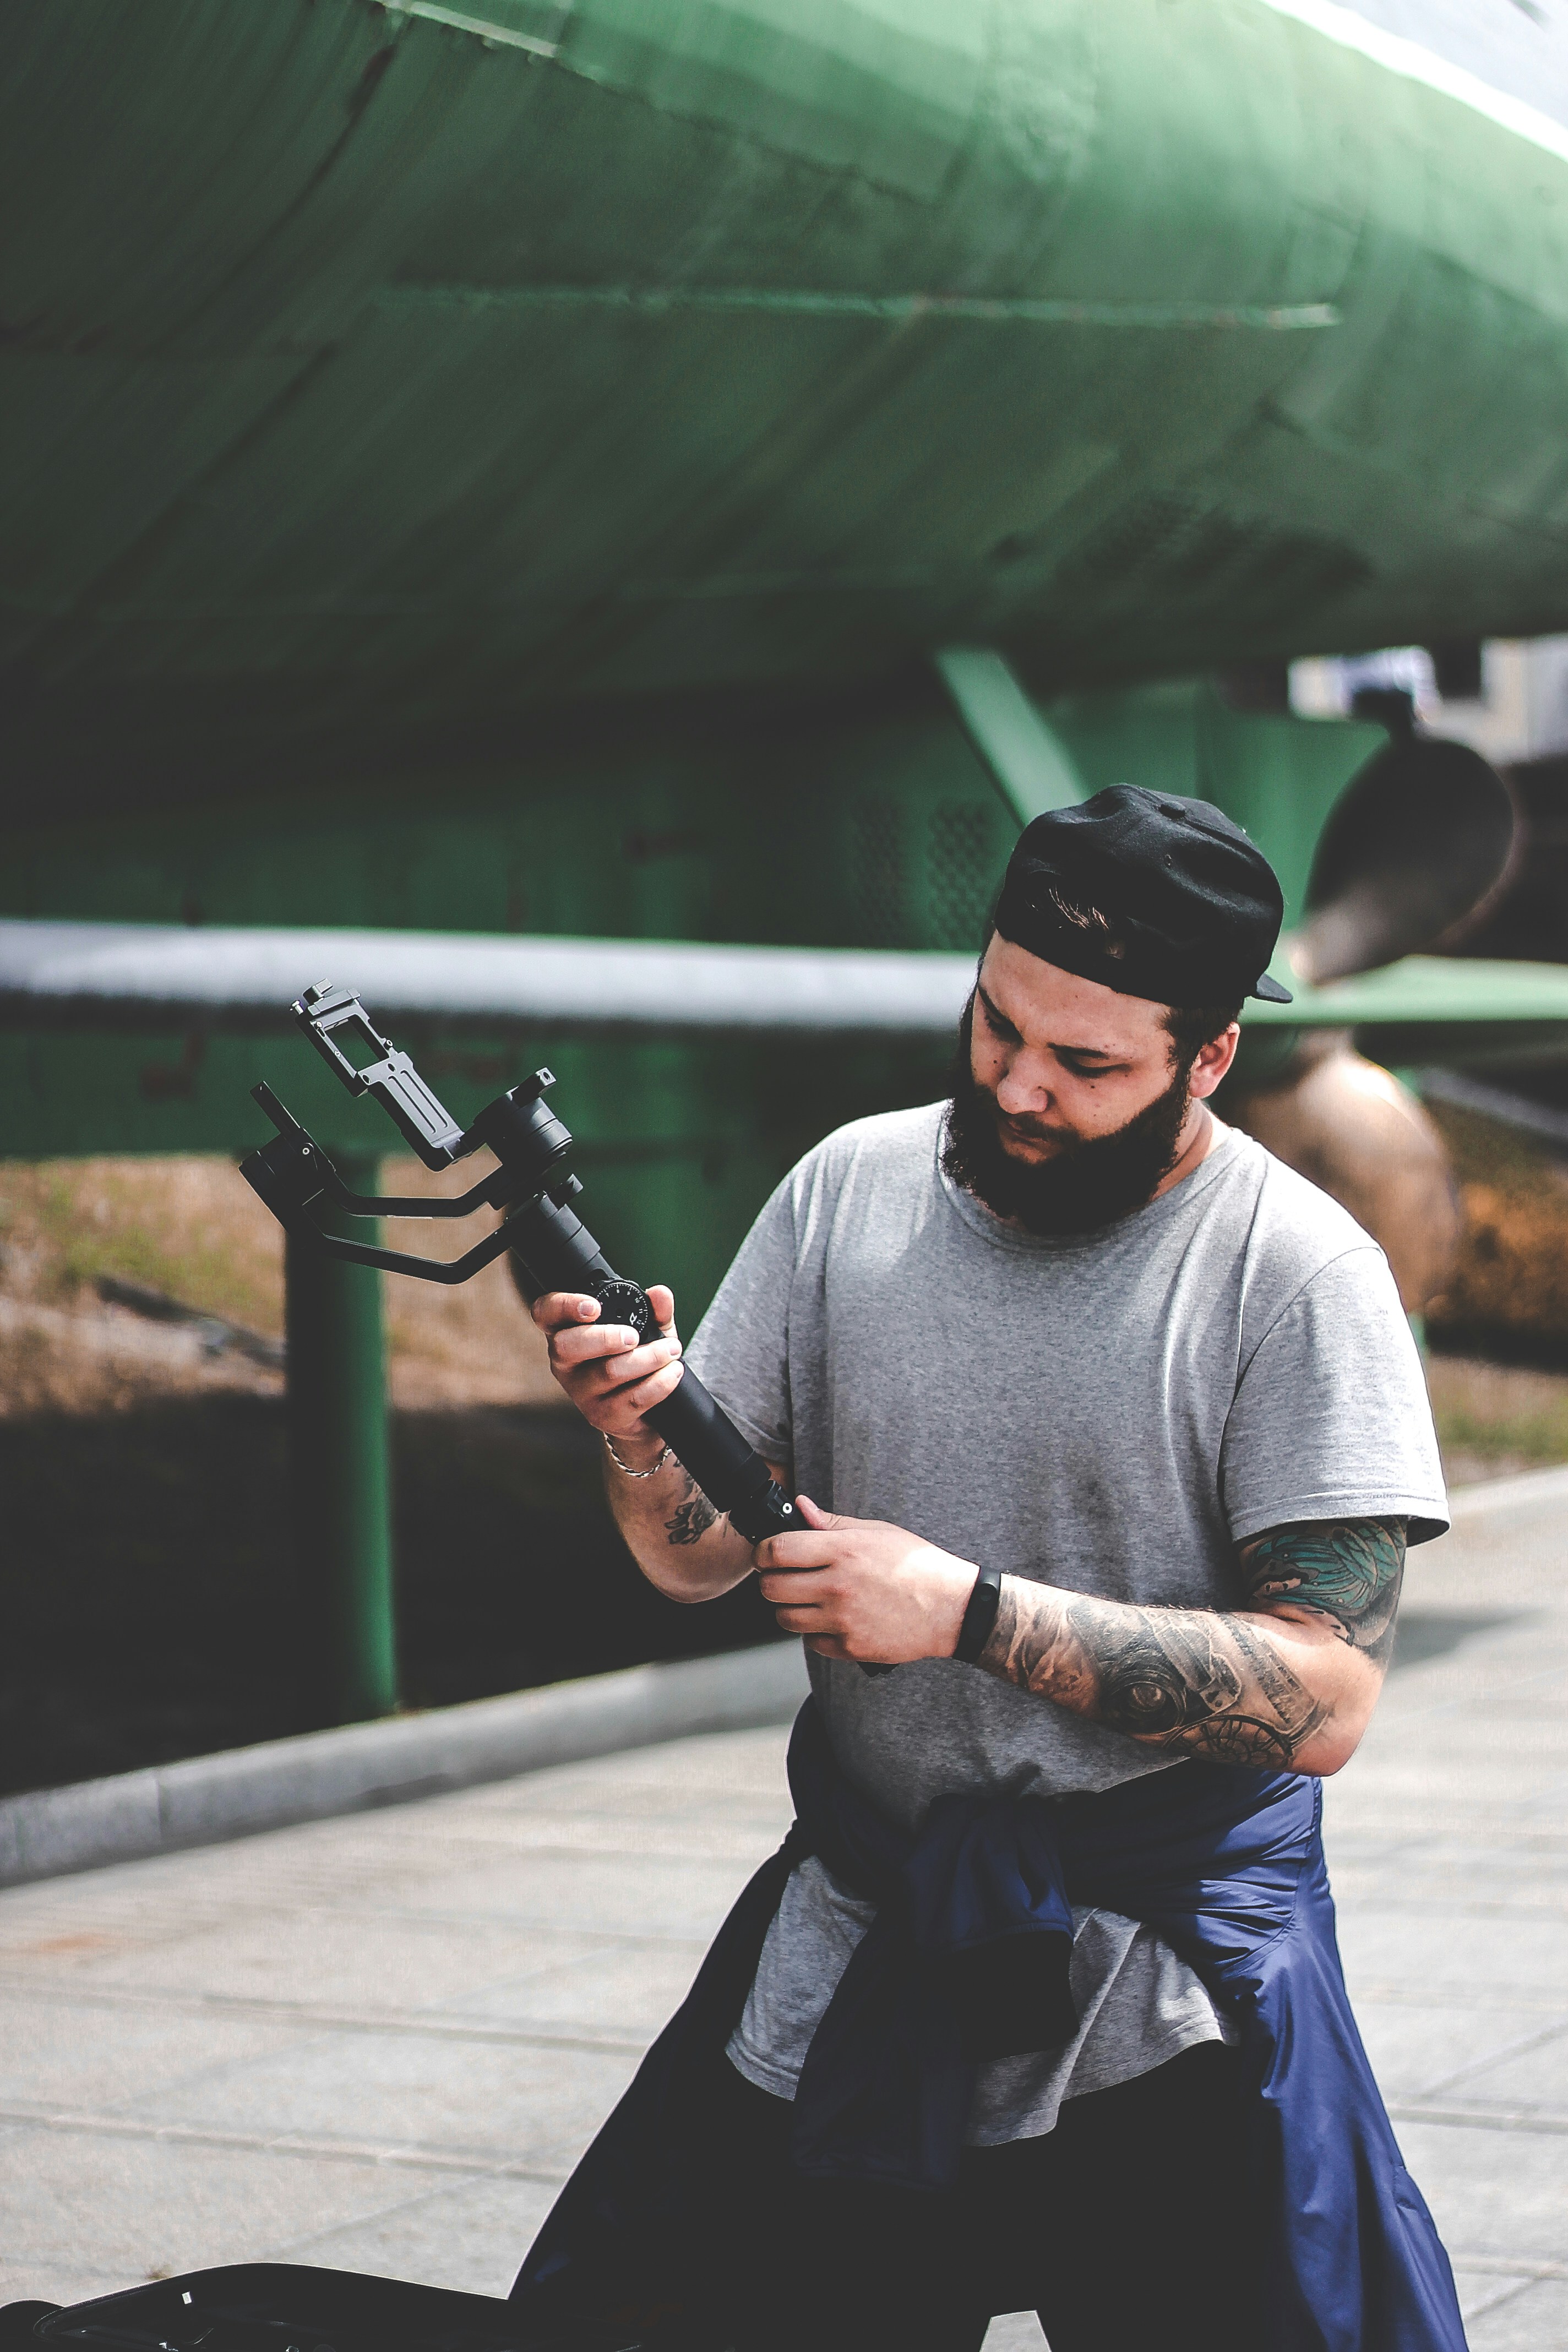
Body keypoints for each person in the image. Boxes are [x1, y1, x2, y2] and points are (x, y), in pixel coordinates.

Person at [513, 787, 1466, 2352]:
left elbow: (1328, 1697)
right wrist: (636, 1436)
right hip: (869, 1925)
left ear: (1209, 1055)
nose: (1020, 1086)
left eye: (1088, 1064)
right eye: (996, 1024)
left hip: (1166, 1988)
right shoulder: (848, 1191)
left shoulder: (1295, 1275)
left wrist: (968, 1614)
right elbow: (696, 1561)